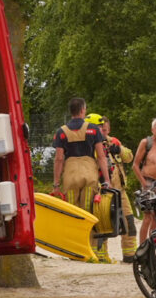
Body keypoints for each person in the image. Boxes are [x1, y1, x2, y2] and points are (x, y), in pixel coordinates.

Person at [51, 98, 112, 260]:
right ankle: (89, 250)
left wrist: (56, 184)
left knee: (72, 212)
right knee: (88, 212)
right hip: (89, 173)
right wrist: (107, 179)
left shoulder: (61, 131)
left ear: (71, 111)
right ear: (83, 110)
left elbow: (58, 159)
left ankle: (73, 250)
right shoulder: (93, 129)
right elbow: (101, 157)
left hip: (70, 175)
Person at [91, 114, 138, 263]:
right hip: (102, 191)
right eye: (100, 130)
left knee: (128, 222)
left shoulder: (114, 142)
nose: (102, 133)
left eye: (105, 130)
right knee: (103, 223)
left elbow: (129, 157)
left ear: (109, 129)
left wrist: (119, 150)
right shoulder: (91, 144)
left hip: (120, 191)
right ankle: (101, 256)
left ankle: (130, 255)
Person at [132, 117, 156, 244]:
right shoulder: (146, 143)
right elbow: (135, 165)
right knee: (148, 216)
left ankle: (153, 247)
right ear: (152, 129)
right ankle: (142, 248)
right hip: (148, 182)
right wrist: (144, 183)